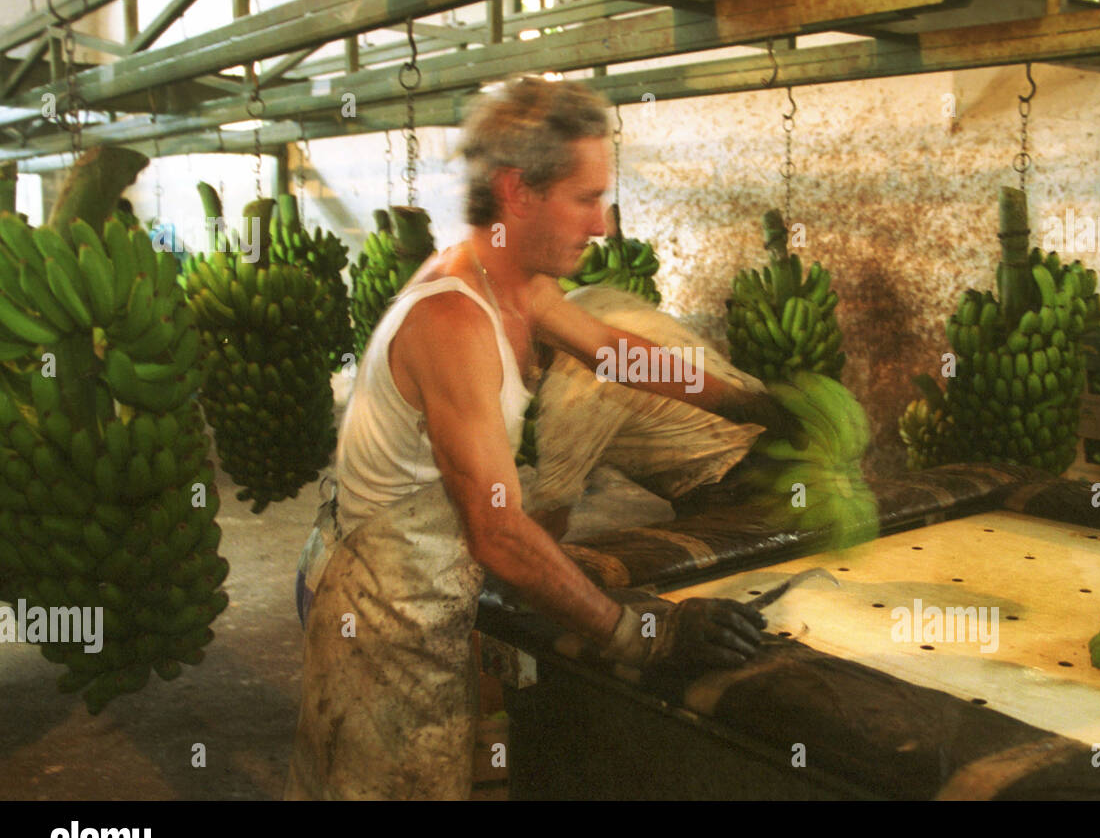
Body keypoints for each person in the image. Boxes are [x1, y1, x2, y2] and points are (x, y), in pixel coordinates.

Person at [286, 77, 793, 800]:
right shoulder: (454, 321)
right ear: (519, 191)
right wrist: (639, 636)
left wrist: (753, 402)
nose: (601, 224)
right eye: (586, 199)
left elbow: (614, 353)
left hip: (420, 575)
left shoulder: (519, 284)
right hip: (374, 608)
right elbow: (497, 534)